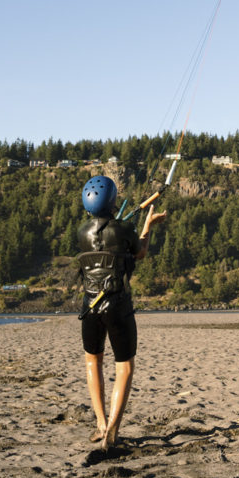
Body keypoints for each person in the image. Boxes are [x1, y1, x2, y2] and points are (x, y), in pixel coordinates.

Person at [77, 175, 166, 450]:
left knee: (93, 361)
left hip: (90, 306)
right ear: (114, 201)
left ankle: (101, 423)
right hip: (118, 304)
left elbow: (104, 243)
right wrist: (148, 225)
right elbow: (139, 252)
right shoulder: (125, 228)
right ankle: (113, 428)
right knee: (124, 365)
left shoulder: (81, 233)